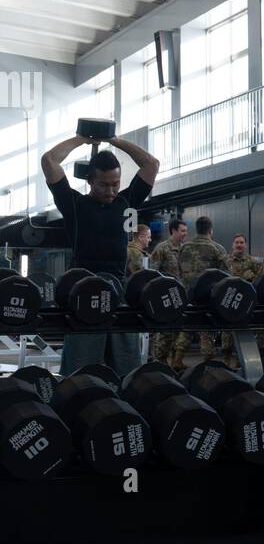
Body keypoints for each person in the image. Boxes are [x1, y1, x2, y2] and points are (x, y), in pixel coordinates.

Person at [40, 132, 159, 377]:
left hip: (118, 293)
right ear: (89, 181)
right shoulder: (74, 204)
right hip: (82, 296)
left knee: (127, 374)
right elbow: (49, 160)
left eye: (115, 183)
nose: (111, 190)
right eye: (103, 184)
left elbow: (151, 164)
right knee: (79, 375)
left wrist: (113, 140)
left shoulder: (125, 203)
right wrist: (82, 139)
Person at [179, 216, 228, 367]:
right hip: (207, 295)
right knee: (207, 326)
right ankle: (208, 361)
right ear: (210, 230)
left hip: (187, 293)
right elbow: (226, 274)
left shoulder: (184, 247)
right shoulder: (217, 248)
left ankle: (177, 357)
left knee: (187, 325)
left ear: (197, 229)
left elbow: (179, 269)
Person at [149, 218, 187, 369]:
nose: (185, 234)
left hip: (181, 296)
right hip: (165, 296)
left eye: (186, 231)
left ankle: (176, 362)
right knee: (165, 333)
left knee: (179, 331)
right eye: (182, 231)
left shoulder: (185, 249)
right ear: (173, 231)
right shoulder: (162, 248)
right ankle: (161, 363)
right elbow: (153, 272)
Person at [221, 233, 261, 369]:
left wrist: (251, 277)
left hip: (245, 302)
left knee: (243, 333)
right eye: (237, 242)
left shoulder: (252, 261)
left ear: (245, 245)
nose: (239, 245)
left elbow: (259, 280)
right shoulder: (225, 261)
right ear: (233, 244)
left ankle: (241, 363)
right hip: (227, 300)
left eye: (241, 242)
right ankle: (226, 363)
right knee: (227, 335)